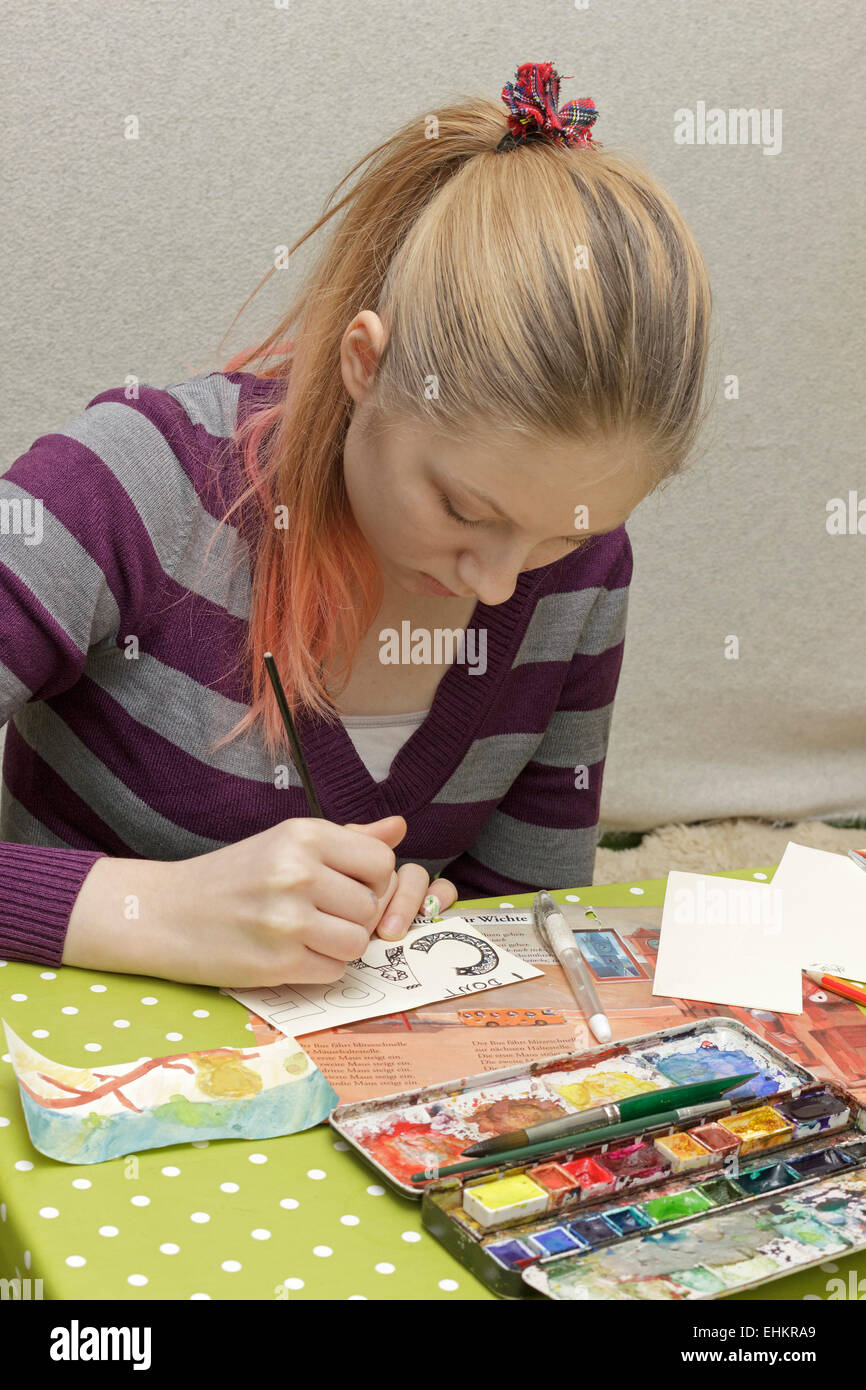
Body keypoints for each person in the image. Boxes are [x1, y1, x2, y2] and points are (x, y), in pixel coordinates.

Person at [0, 63, 712, 987]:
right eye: (464, 509)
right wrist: (149, 912)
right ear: (365, 364)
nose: (502, 582)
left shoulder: (585, 576)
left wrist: (430, 926)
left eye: (562, 536)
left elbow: (535, 920)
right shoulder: (125, 486)